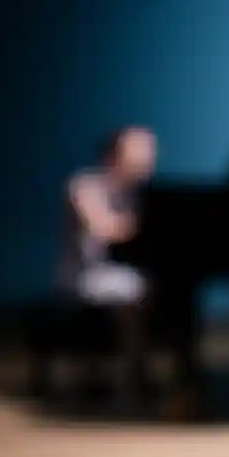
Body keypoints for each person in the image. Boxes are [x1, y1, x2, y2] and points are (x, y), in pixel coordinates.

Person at [59, 125, 156, 394]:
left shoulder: (142, 194)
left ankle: (152, 371)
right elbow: (102, 227)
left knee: (149, 287)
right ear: (115, 154)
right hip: (86, 274)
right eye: (141, 149)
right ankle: (135, 373)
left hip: (125, 272)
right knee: (133, 290)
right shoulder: (84, 185)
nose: (150, 157)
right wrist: (142, 224)